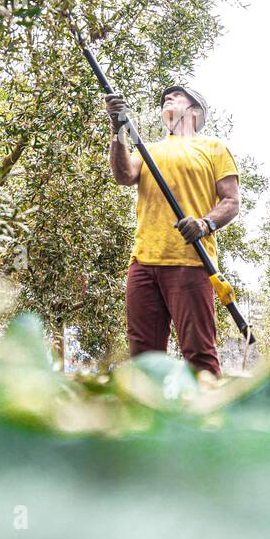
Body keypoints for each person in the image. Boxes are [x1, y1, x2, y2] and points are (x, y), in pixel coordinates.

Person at [104, 85, 239, 376]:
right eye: (167, 96)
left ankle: (207, 405)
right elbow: (123, 175)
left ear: (195, 111)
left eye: (177, 95)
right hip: (144, 262)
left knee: (199, 353)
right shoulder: (149, 149)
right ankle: (150, 406)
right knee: (144, 358)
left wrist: (204, 224)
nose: (168, 97)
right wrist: (117, 130)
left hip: (190, 260)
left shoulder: (214, 148)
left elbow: (231, 201)